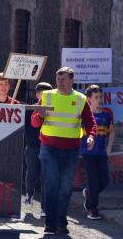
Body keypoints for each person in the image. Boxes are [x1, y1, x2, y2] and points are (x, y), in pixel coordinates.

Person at [32, 67, 96, 235]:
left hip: (71, 150)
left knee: (66, 188)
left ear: (72, 80)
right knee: (52, 185)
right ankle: (50, 223)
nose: (60, 82)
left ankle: (61, 222)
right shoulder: (48, 96)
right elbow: (34, 122)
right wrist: (40, 115)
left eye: (63, 79)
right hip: (49, 148)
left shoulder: (81, 99)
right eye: (58, 79)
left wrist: (91, 136)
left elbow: (90, 122)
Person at [82, 84, 114, 220]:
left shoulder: (107, 115)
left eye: (101, 96)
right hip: (88, 154)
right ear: (89, 99)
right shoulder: (85, 115)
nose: (100, 99)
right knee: (94, 181)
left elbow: (112, 132)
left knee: (105, 180)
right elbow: (79, 133)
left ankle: (89, 194)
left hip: (101, 153)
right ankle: (92, 210)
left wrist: (108, 149)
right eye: (96, 97)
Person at [25, 82, 52, 206]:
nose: (44, 97)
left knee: (46, 175)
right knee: (32, 172)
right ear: (36, 94)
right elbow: (27, 127)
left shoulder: (53, 109)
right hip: (33, 146)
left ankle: (44, 202)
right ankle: (29, 194)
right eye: (41, 94)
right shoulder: (30, 109)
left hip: (49, 147)